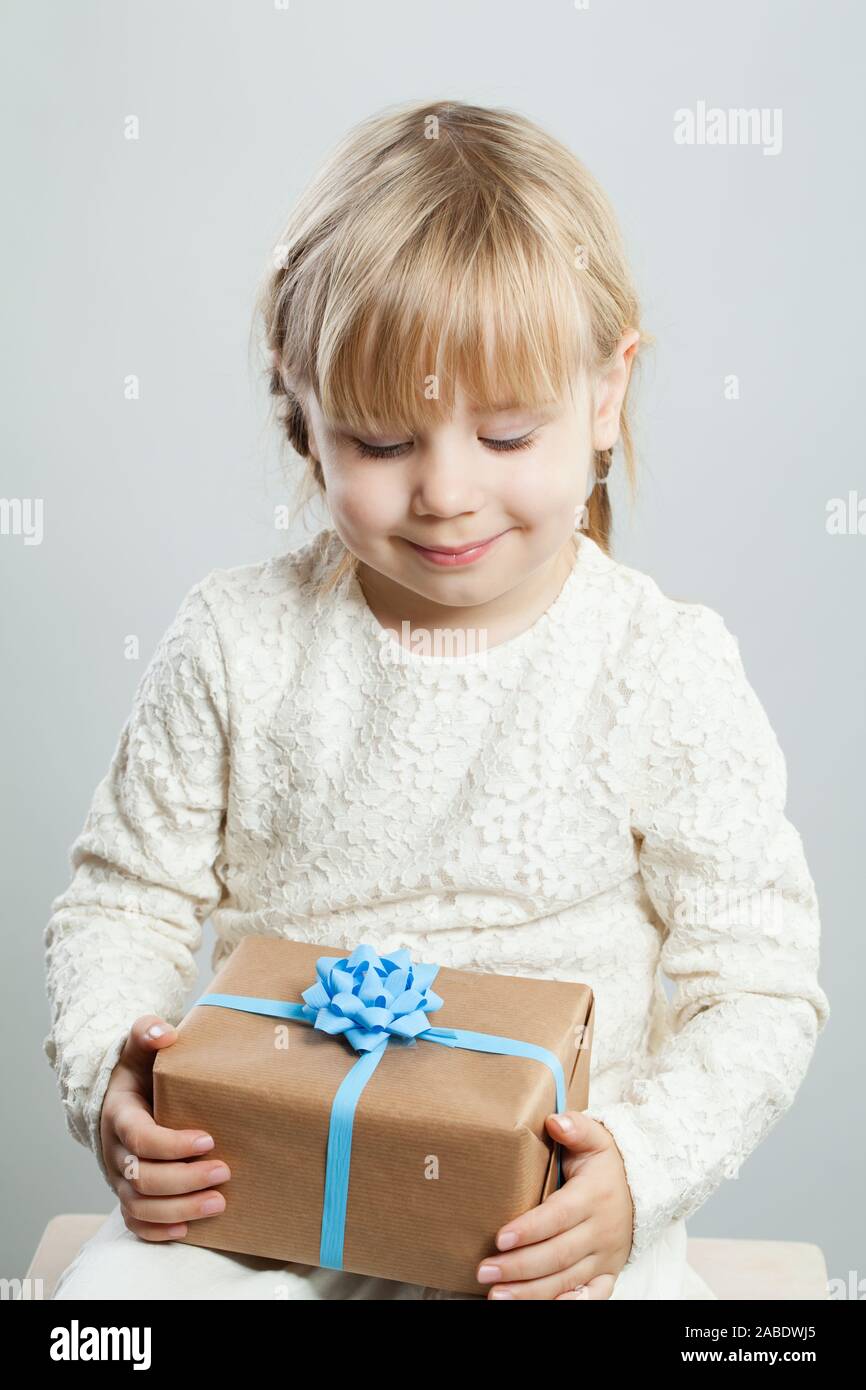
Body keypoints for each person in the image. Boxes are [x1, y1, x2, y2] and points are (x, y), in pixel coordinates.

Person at [45, 98, 829, 1301]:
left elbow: (758, 984)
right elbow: (121, 901)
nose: (446, 492)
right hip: (258, 1199)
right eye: (378, 440)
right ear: (299, 413)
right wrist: (114, 1081)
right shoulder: (235, 640)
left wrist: (638, 1166)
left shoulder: (658, 667)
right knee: (107, 1319)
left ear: (606, 394)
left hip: (540, 1230)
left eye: (507, 433)